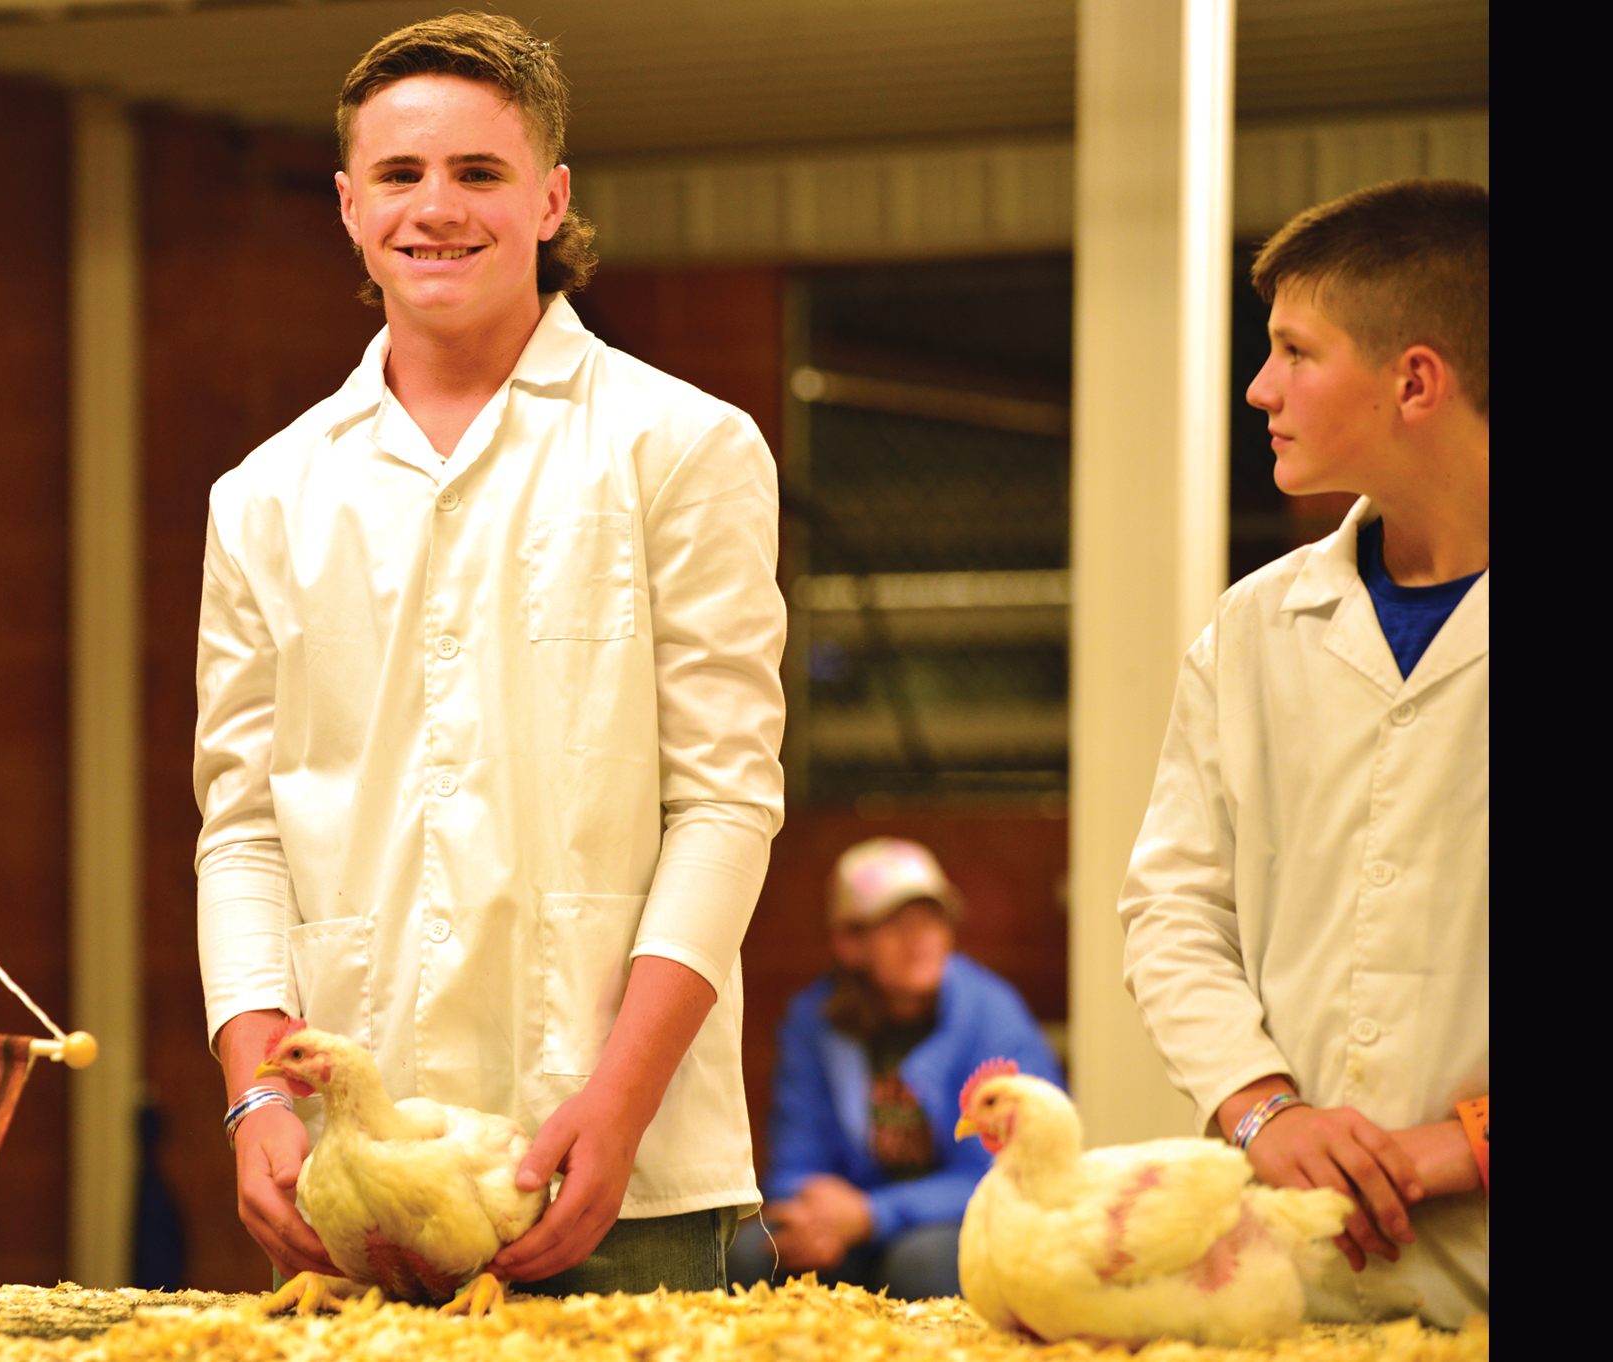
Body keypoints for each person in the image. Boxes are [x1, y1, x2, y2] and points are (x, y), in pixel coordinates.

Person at [192, 11, 787, 1297]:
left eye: (479, 173)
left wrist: (618, 1106)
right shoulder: (265, 495)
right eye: (400, 177)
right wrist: (257, 1098)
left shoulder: (683, 449)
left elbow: (728, 807)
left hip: (620, 1175)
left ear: (552, 198)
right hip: (361, 1183)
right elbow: (239, 830)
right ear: (349, 207)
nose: (436, 209)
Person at [1117, 178, 1488, 1328]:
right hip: (1288, 1284)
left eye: (1293, 350)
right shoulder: (1254, 627)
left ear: (1413, 380)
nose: (1258, 387)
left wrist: (1461, 1147)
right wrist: (1263, 1111)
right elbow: (1173, 909)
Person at [729, 838, 1061, 1299]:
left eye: (932, 920)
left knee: (919, 1264)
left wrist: (873, 1214)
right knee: (751, 1256)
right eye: (895, 925)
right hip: (851, 1228)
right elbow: (792, 1160)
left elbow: (1012, 1174)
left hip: (959, 1219)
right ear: (849, 942)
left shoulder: (993, 1017)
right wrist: (815, 1216)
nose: (919, 939)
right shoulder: (814, 1021)